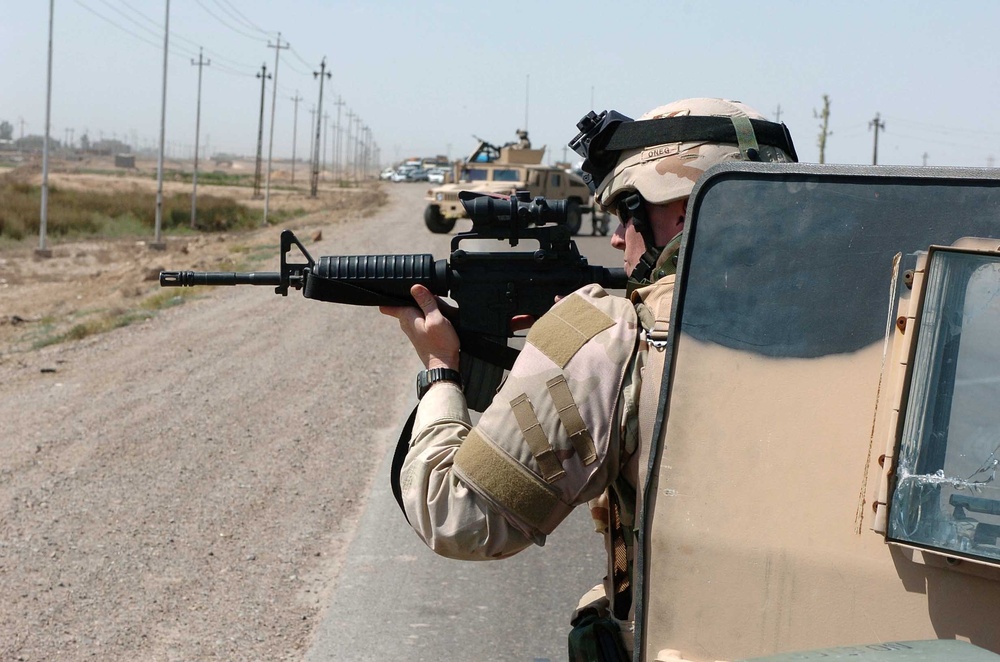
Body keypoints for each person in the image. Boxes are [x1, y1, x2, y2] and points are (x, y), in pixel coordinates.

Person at [380, 98, 797, 659]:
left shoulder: (611, 338)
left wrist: (440, 372)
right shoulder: (871, 310)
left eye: (629, 214)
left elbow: (455, 513)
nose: (620, 238)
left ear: (682, 211)